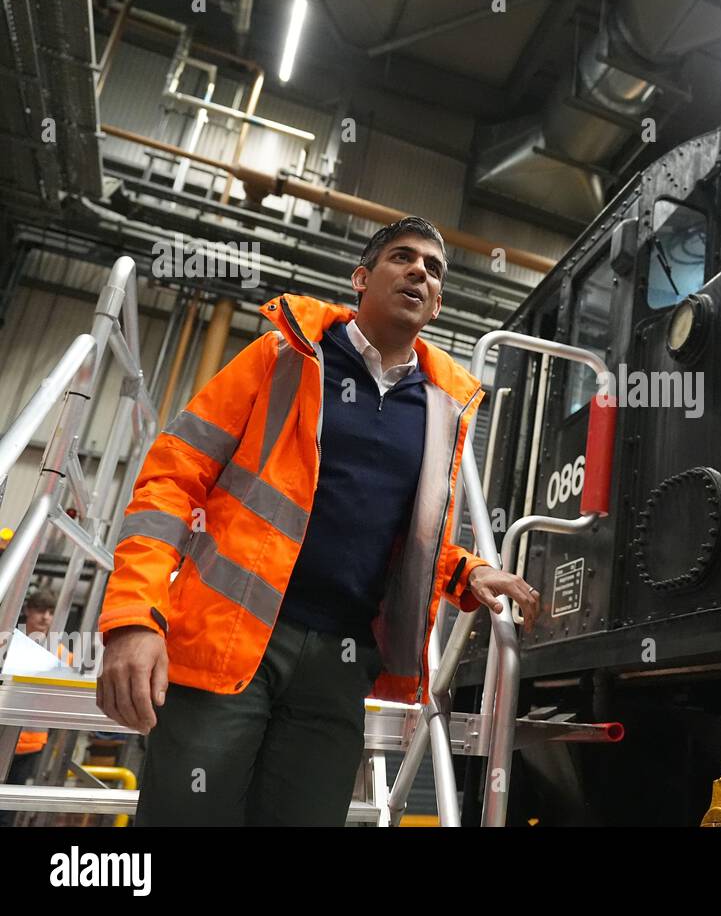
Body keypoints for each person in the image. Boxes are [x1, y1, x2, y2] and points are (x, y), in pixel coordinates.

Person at [96, 216, 541, 826]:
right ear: (361, 278)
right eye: (402, 258)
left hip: (340, 663)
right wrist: (132, 617)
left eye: (433, 270)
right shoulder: (285, 355)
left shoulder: (442, 411)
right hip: (231, 639)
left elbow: (401, 537)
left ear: (436, 306)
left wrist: (468, 572)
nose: (420, 271)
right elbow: (172, 478)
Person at [1, 588, 69, 826]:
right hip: (3, 733)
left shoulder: (61, 654)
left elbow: (63, 699)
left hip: (31, 741)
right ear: (28, 610)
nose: (46, 617)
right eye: (41, 610)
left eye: (50, 612)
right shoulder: (6, 643)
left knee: (8, 809)